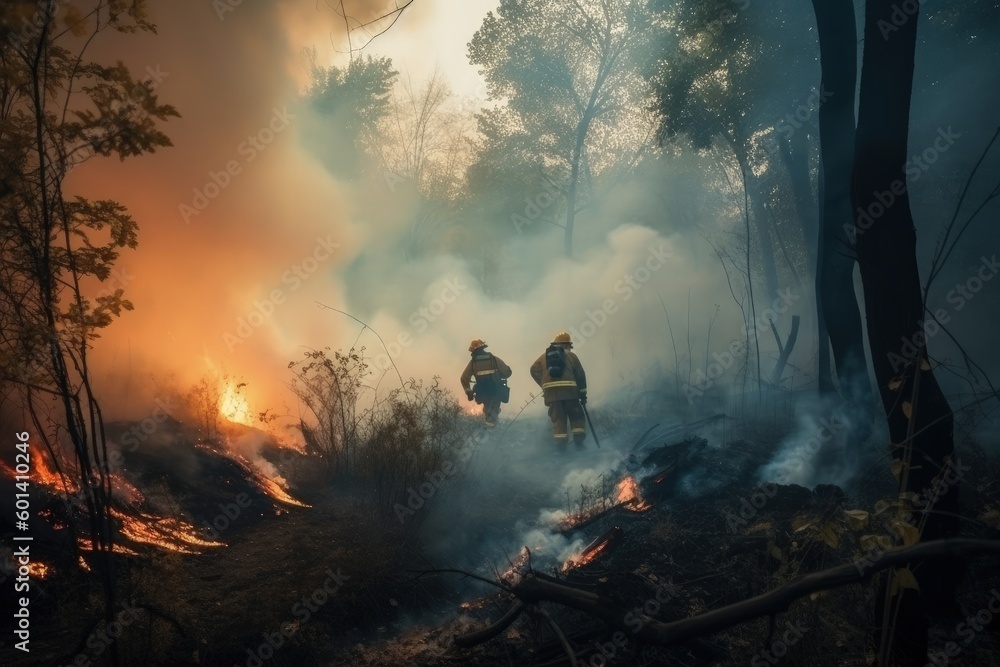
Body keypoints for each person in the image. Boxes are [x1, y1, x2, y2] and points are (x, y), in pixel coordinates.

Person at [530, 331, 588, 446]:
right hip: (570, 392)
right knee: (576, 416)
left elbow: (533, 370)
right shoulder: (571, 356)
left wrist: (543, 384)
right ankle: (579, 444)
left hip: (552, 394)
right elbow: (580, 375)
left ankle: (561, 448)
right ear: (567, 345)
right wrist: (583, 394)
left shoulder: (544, 356)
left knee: (559, 420)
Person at [460, 339, 512, 428]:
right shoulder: (494, 359)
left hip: (483, 392)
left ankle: (490, 428)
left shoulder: (473, 362)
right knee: (493, 411)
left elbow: (464, 378)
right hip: (496, 391)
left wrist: (469, 392)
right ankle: (492, 431)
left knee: (489, 410)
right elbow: (507, 372)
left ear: (473, 350)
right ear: (483, 348)